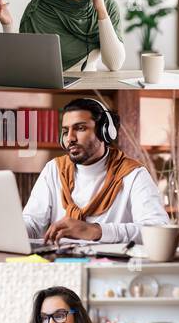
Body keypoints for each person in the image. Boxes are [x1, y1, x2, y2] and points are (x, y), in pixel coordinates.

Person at [20, 98, 169, 244]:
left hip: (111, 266)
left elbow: (158, 230)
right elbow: (32, 223)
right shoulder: (53, 169)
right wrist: (10, 230)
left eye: (80, 128)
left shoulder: (133, 174)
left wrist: (96, 231)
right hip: (59, 262)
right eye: (66, 131)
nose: (70, 138)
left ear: (105, 132)